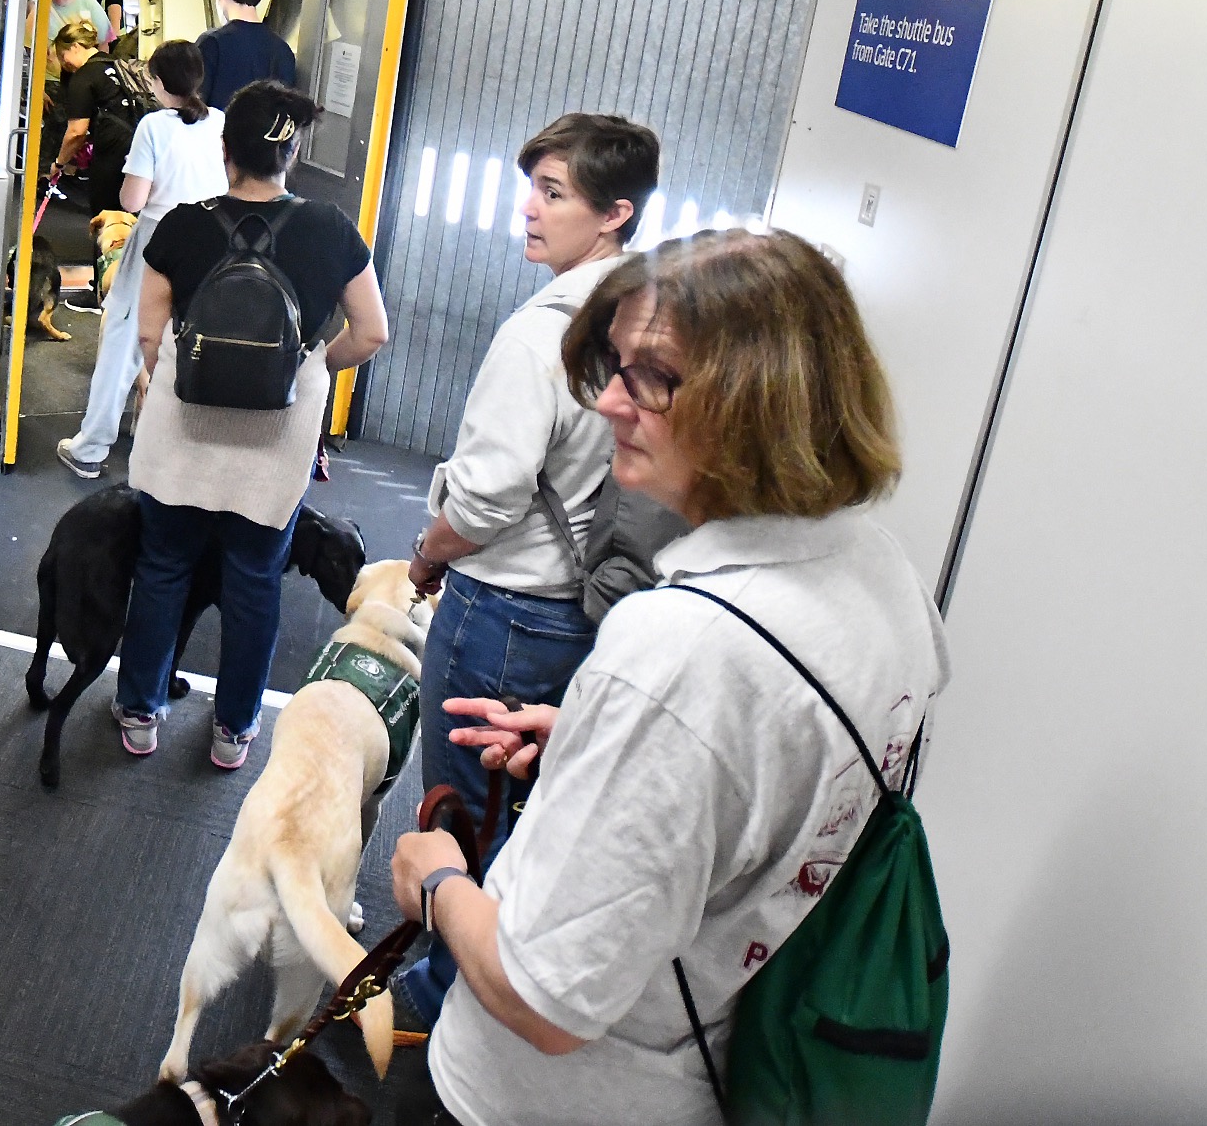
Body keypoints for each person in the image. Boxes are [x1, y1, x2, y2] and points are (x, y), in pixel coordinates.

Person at [388, 229, 950, 1126]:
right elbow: (772, 783)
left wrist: (438, 882)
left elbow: (545, 999)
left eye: (651, 376)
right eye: (613, 368)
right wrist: (593, 746)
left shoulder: (676, 651)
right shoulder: (881, 574)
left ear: (760, 399)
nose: (610, 401)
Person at [392, 113, 662, 1031]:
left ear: (614, 213)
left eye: (554, 194)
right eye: (533, 188)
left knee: (460, 822)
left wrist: (426, 555)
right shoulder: (649, 320)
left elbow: (482, 503)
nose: (530, 211)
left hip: (500, 616)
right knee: (529, 827)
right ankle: (493, 991)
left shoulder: (540, 334)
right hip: (586, 607)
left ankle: (438, 1006)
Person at [110, 80, 390, 768]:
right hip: (274, 444)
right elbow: (373, 332)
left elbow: (150, 337)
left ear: (226, 148)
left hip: (182, 433)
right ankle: (233, 729)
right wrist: (312, 364)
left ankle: (140, 712)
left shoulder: (179, 225)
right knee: (255, 580)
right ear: (290, 154)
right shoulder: (330, 229)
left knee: (164, 567)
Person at [57, 41, 228, 479]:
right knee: (187, 341)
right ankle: (177, 452)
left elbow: (132, 200)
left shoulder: (153, 126)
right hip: (212, 240)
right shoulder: (220, 122)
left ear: (155, 81)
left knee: (123, 336)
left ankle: (91, 448)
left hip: (158, 238)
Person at [53, 17, 138, 214]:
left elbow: (76, 132)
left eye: (62, 55)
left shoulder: (83, 77)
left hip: (111, 155)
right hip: (137, 148)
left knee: (105, 216)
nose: (64, 64)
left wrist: (60, 163)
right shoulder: (117, 64)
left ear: (75, 47)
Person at [196, 0, 297, 111]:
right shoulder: (283, 50)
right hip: (263, 135)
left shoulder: (211, 43)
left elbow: (195, 104)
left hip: (219, 134)